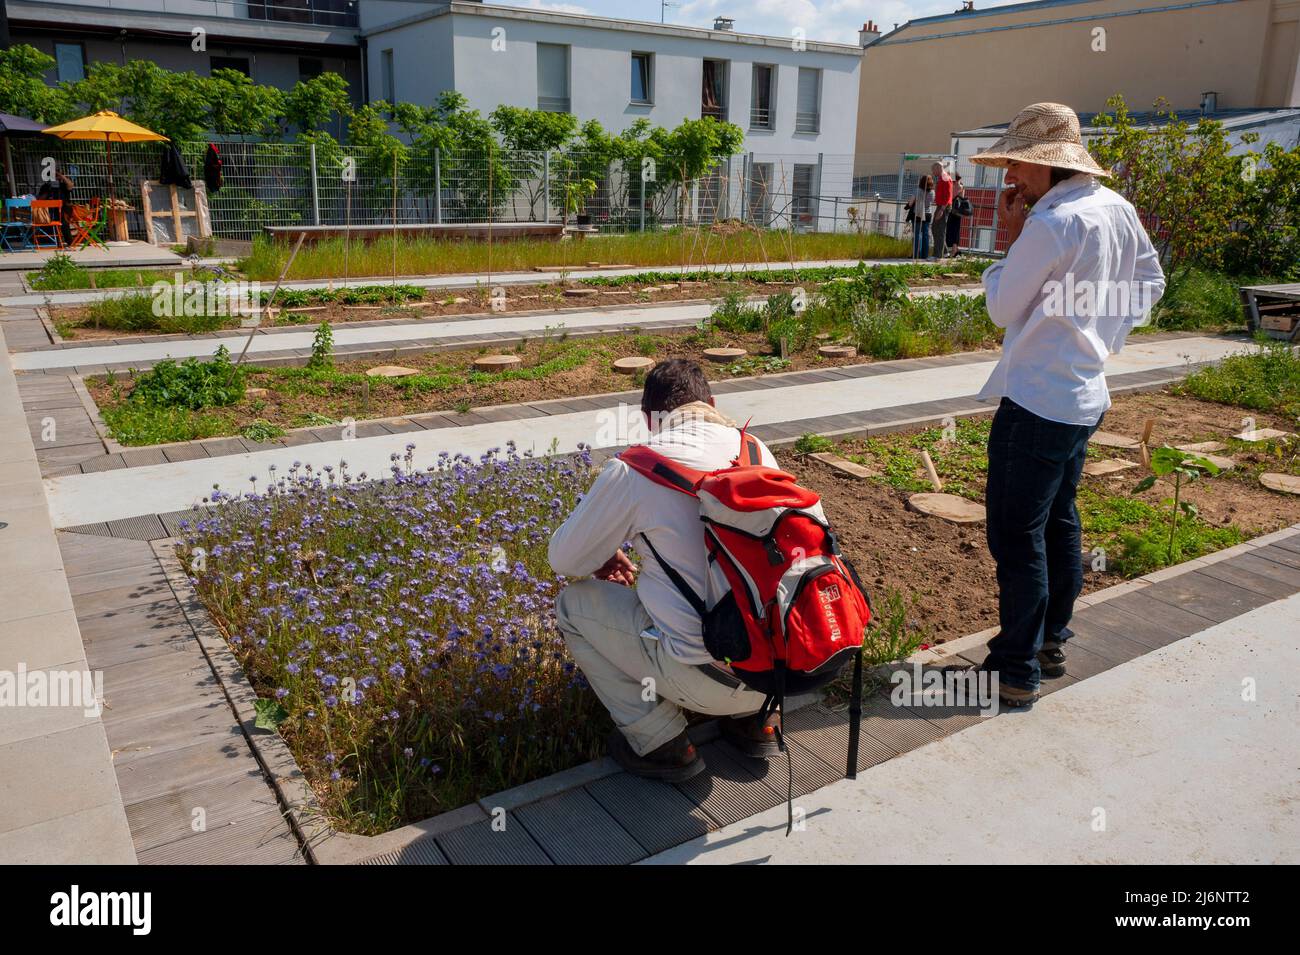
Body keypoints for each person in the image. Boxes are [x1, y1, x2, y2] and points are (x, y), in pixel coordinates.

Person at [968, 102, 1165, 707]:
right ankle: (1051, 640)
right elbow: (1151, 283)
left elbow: (1001, 308)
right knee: (1059, 520)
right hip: (1082, 395)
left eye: (1020, 165)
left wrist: (1008, 242)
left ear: (1047, 166)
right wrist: (1099, 335)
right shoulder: (1116, 209)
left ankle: (1016, 666)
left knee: (1015, 532)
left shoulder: (1050, 225)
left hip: (1037, 399)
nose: (1012, 178)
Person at [548, 359, 779, 781]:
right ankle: (755, 721)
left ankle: (662, 743)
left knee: (571, 607)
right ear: (711, 404)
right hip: (784, 671)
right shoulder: (756, 450)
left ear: (647, 419)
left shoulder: (636, 467)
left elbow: (564, 560)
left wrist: (602, 555)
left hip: (704, 680)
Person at [930, 161, 953, 258]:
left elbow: (948, 194)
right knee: (936, 228)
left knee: (939, 229)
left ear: (938, 168)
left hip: (943, 206)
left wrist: (942, 209)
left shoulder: (945, 177)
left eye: (933, 169)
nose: (932, 172)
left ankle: (938, 255)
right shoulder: (942, 177)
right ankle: (944, 252)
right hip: (941, 205)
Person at [909, 174, 933, 260]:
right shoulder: (932, 192)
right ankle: (925, 255)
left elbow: (911, 202)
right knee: (926, 235)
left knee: (917, 234)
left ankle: (916, 254)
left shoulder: (917, 190)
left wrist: (908, 206)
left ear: (921, 182)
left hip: (918, 213)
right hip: (928, 214)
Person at [946, 173, 969, 253]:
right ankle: (955, 249)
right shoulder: (961, 185)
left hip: (953, 209)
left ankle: (953, 249)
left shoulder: (956, 186)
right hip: (958, 210)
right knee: (955, 229)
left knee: (951, 228)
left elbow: (951, 197)